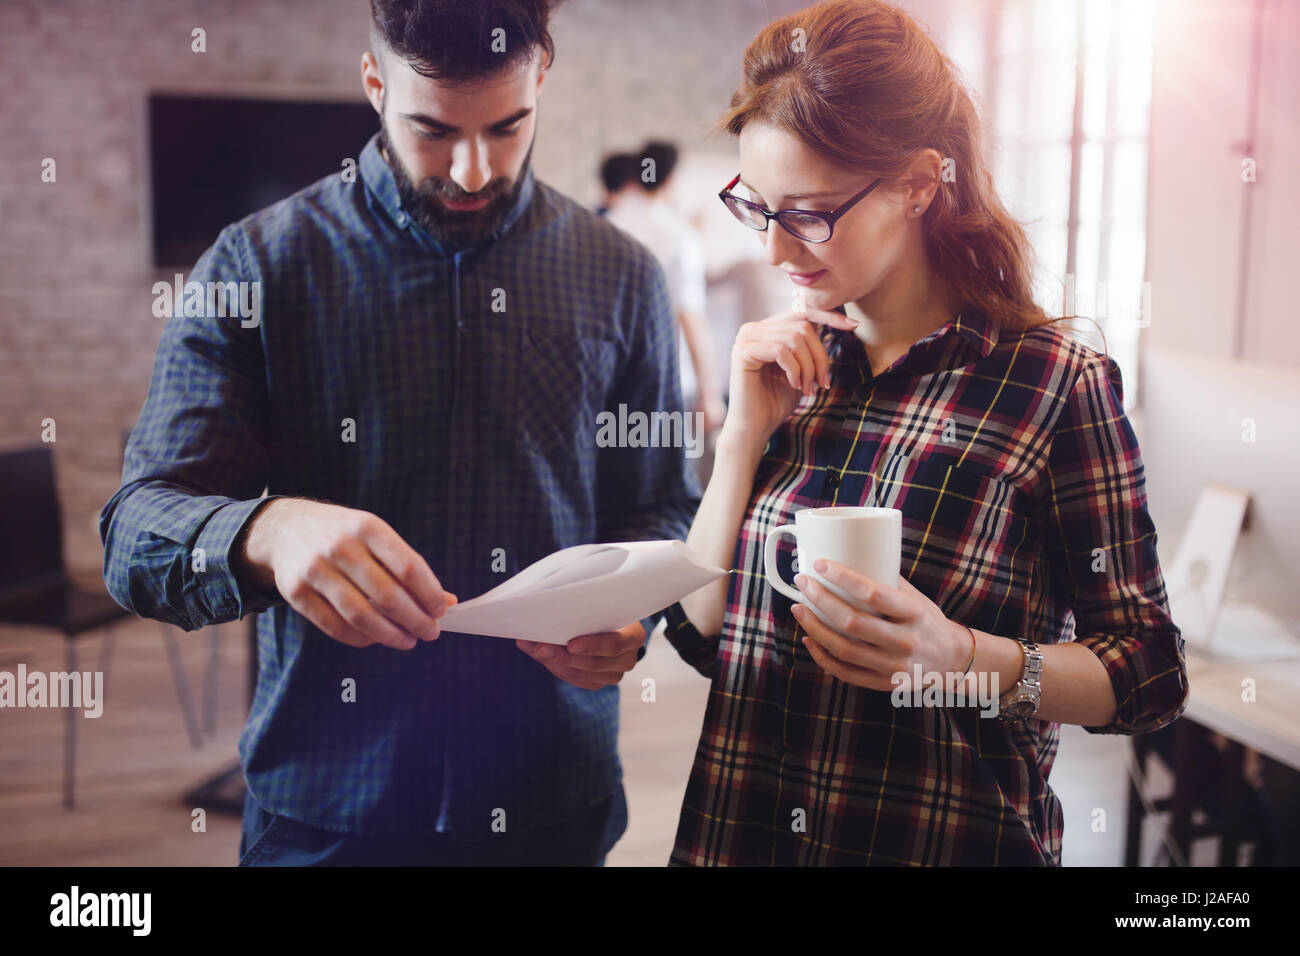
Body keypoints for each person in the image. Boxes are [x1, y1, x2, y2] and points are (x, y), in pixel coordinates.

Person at [99, 0, 699, 866]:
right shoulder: (257, 263)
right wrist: (266, 529)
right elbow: (134, 533)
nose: (470, 169)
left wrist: (633, 617)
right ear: (375, 84)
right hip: (328, 806)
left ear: (542, 79)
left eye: (507, 127)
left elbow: (661, 506)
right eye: (432, 129)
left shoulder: (623, 278)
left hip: (546, 801)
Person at [661, 0, 1189, 866]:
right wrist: (740, 440)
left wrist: (961, 656)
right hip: (741, 837)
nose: (776, 254)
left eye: (809, 213)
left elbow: (1149, 675)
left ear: (915, 182)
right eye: (759, 210)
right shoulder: (789, 371)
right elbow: (699, 636)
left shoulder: (1051, 383)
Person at [604, 141, 728, 440]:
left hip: (608, 381)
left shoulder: (605, 226)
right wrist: (709, 393)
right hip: (663, 385)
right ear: (672, 180)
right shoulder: (677, 237)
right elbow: (690, 316)